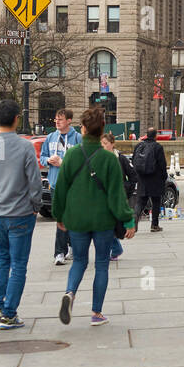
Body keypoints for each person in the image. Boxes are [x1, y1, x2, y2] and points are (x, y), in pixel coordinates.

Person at [53, 106, 135, 327]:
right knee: (101, 265)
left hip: (77, 219)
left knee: (79, 261)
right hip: (102, 221)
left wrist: (59, 216)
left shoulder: (71, 155)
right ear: (102, 131)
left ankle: (70, 293)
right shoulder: (109, 159)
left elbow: (61, 189)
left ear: (83, 129)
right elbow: (118, 195)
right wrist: (128, 220)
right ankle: (96, 313)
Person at [0, 99, 42, 330]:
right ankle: (9, 313)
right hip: (19, 211)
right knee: (19, 264)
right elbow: (34, 180)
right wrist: (36, 204)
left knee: (3, 257)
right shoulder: (24, 146)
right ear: (17, 118)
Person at [41, 108, 82, 265]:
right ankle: (60, 252)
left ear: (69, 121)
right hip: (55, 183)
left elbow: (82, 162)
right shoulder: (51, 137)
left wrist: (63, 163)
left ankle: (70, 247)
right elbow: (43, 156)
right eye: (56, 119)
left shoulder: (78, 138)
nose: (57, 122)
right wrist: (48, 160)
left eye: (61, 119)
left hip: (72, 185)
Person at [102, 132, 137, 261]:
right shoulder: (99, 159)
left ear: (112, 144)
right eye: (101, 144)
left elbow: (133, 176)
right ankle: (115, 248)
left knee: (108, 225)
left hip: (117, 197)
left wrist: (126, 189)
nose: (103, 146)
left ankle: (115, 248)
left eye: (105, 144)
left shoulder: (120, 159)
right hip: (104, 197)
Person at [131, 129, 167, 233]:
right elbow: (162, 164)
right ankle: (154, 225)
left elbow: (134, 160)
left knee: (140, 201)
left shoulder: (139, 146)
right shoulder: (158, 147)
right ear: (155, 136)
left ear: (146, 135)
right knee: (156, 201)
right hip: (155, 179)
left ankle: (135, 218)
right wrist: (164, 177)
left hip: (142, 178)